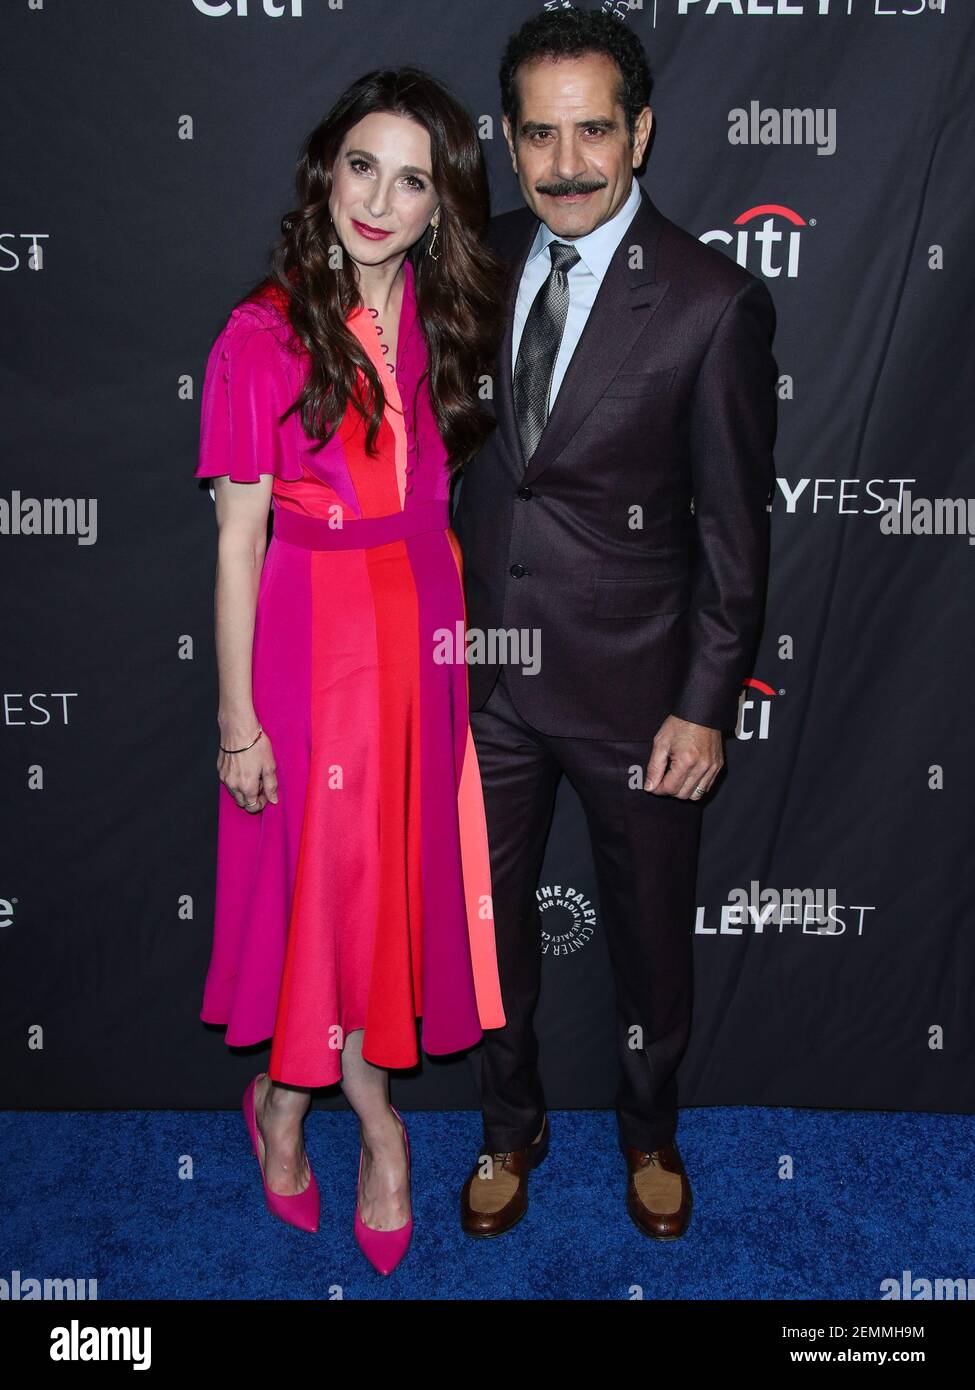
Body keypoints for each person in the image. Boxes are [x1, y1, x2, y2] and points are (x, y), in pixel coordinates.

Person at [453, 9, 777, 1240]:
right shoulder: (471, 261)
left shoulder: (711, 301)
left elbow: (737, 534)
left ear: (641, 132)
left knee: (650, 947)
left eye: (596, 129)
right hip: (485, 685)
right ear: (512, 140)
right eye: (542, 134)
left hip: (642, 698)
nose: (570, 162)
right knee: (488, 939)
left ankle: (649, 1133)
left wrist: (705, 698)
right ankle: (505, 1126)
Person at [194, 68, 507, 1275]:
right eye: (362, 165)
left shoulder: (444, 312)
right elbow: (236, 541)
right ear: (326, 169)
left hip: (420, 636)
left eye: (413, 178)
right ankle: (337, 1115)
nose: (380, 197)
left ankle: (332, 1108)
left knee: (390, 892)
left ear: (442, 204)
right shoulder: (262, 333)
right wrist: (237, 721)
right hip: (310, 643)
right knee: (320, 891)